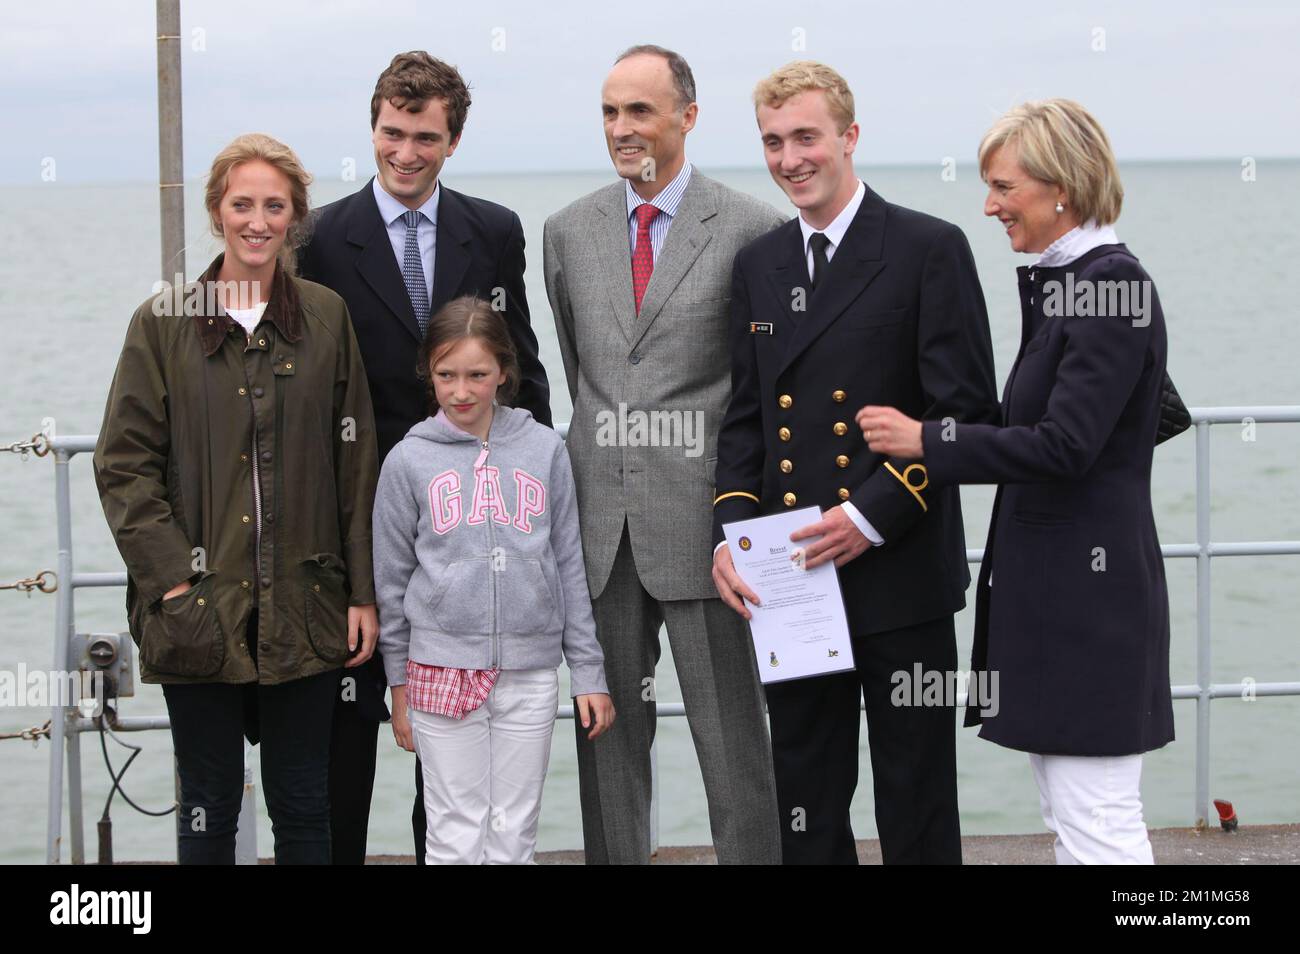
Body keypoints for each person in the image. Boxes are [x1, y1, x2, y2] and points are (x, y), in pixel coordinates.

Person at [857, 99, 1174, 865]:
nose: (990, 205)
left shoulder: (1107, 286)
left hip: (1088, 608)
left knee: (1096, 819)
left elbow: (1065, 446)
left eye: (1004, 186)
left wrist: (928, 440)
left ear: (1060, 186)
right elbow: (1119, 417)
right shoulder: (1073, 282)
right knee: (1071, 813)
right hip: (1063, 597)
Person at [711, 62, 1000, 865]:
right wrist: (731, 533)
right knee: (805, 797)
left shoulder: (925, 249)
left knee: (915, 799)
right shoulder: (758, 264)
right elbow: (748, 419)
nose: (789, 158)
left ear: (849, 136)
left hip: (899, 570)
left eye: (806, 137)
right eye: (773, 142)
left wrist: (869, 516)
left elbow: (966, 414)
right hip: (791, 575)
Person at [94, 133, 379, 864]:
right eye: (242, 203)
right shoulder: (162, 323)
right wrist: (174, 583)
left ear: (295, 218)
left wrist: (362, 592)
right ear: (218, 212)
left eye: (275, 206)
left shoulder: (326, 318)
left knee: (304, 804)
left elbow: (357, 463)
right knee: (208, 807)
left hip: (308, 606)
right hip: (197, 609)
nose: (258, 220)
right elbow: (124, 464)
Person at [297, 51, 553, 865]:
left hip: (468, 524)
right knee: (349, 724)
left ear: (453, 141)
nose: (405, 153)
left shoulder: (495, 229)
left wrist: (534, 488)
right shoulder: (321, 237)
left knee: (451, 741)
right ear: (372, 128)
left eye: (425, 137)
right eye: (392, 133)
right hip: (353, 517)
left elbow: (523, 368)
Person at [543, 44, 784, 864]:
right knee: (606, 745)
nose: (622, 128)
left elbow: (759, 386)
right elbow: (585, 371)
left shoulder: (753, 228)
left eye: (639, 110)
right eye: (610, 111)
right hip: (598, 530)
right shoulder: (567, 232)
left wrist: (744, 517)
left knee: (734, 748)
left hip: (711, 529)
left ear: (687, 116)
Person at [373, 296, 612, 864]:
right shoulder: (407, 462)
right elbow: (390, 582)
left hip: (529, 672)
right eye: (446, 375)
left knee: (515, 830)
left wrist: (589, 673)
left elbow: (568, 564)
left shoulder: (544, 449)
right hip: (439, 668)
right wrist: (398, 686)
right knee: (455, 829)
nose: (461, 391)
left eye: (477, 375)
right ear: (428, 375)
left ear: (504, 372)